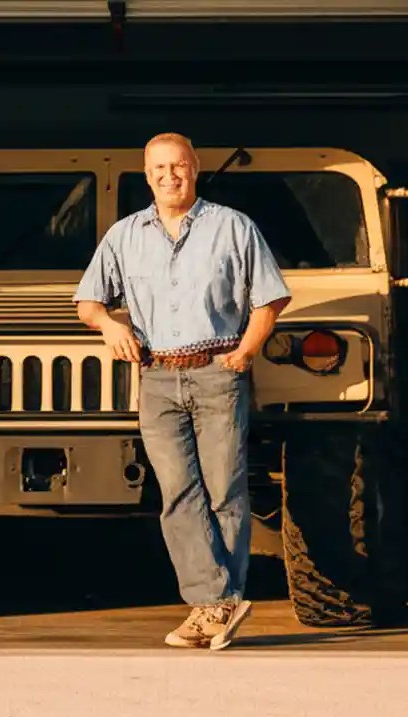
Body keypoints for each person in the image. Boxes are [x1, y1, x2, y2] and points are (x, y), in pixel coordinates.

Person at [73, 133, 292, 650]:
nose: (169, 175)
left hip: (218, 371)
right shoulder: (124, 236)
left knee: (224, 489)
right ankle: (214, 602)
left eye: (178, 166)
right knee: (177, 492)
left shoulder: (234, 227)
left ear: (195, 168)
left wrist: (244, 353)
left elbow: (270, 300)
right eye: (159, 168)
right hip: (156, 378)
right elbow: (87, 301)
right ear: (146, 175)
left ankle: (214, 604)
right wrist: (108, 326)